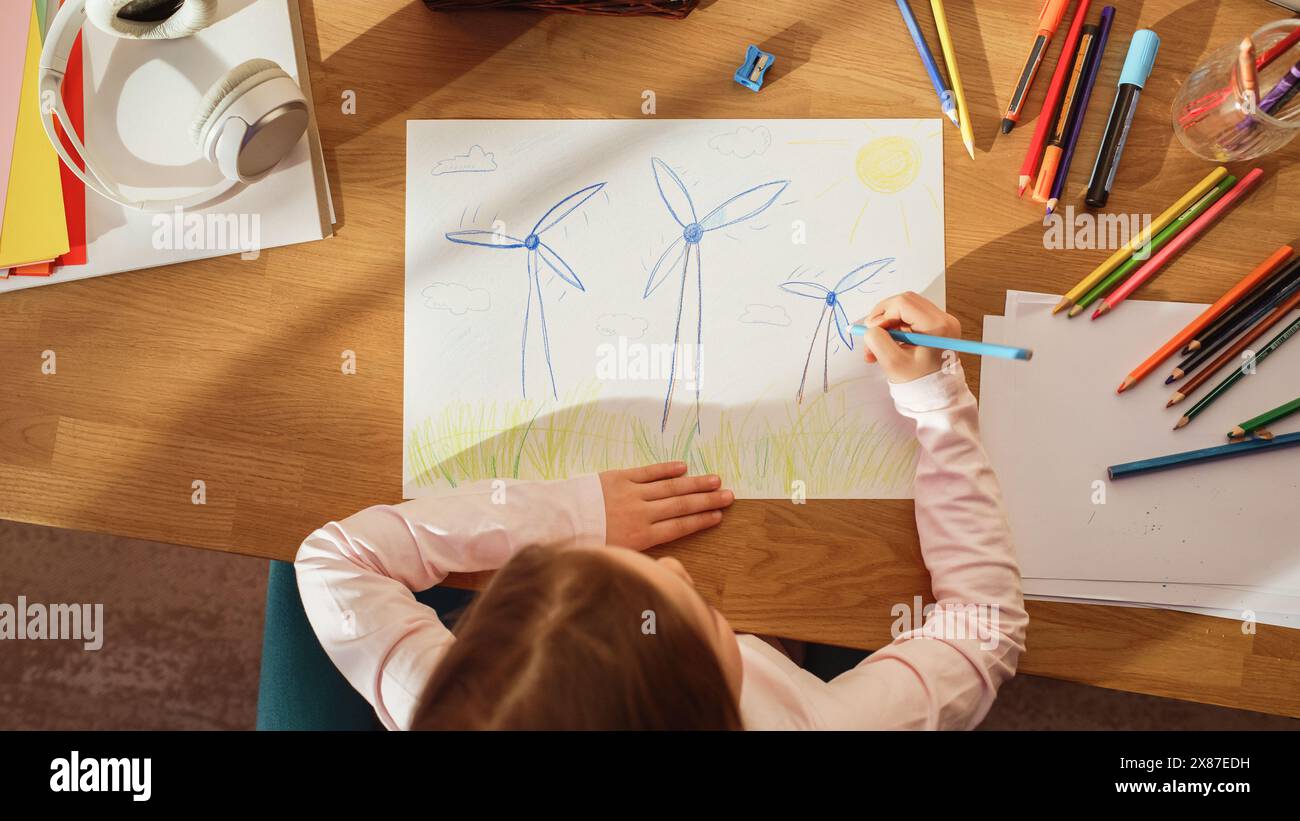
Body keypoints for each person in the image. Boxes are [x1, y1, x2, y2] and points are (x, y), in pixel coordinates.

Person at [295, 291, 1027, 729]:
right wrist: (936, 403)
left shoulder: (461, 707)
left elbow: (333, 562)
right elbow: (984, 630)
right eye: (704, 611)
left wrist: (582, 508)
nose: (675, 564)